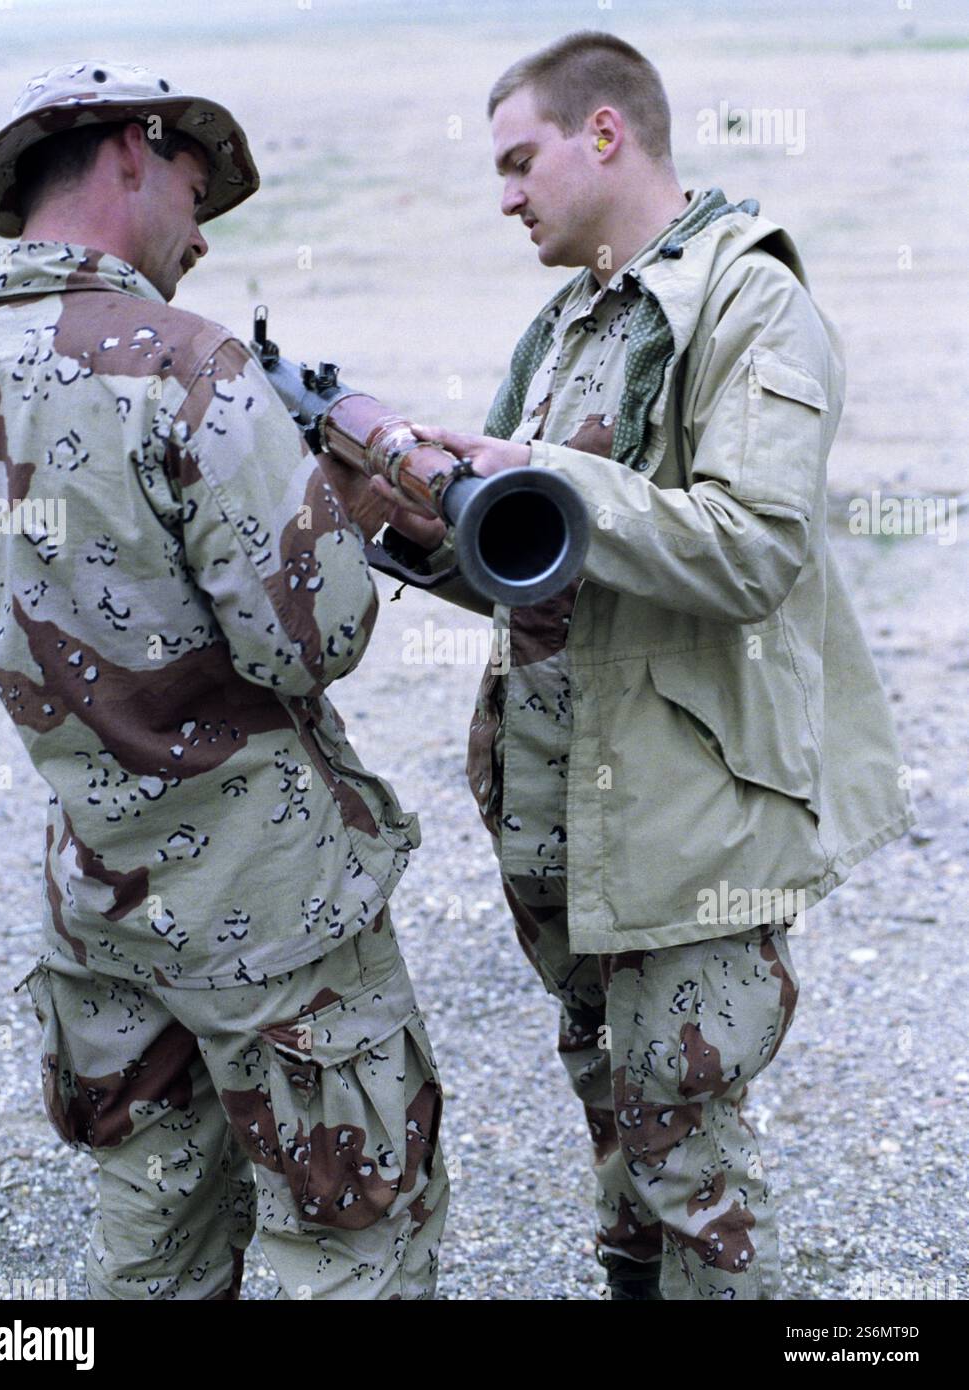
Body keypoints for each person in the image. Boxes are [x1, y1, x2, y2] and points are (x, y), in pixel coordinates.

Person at [369, 31, 915, 1300]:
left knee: (693, 1179)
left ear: (604, 132)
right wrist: (408, 521)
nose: (504, 196)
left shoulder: (748, 297)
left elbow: (756, 547)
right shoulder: (571, 322)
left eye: (520, 161)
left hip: (685, 829)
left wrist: (544, 474)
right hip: (567, 821)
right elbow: (535, 562)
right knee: (622, 1137)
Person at [0, 60, 447, 1300]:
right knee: (357, 1232)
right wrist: (347, 513)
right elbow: (308, 641)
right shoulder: (184, 363)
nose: (204, 228)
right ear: (128, 150)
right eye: (192, 178)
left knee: (152, 1250)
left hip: (102, 898)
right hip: (271, 909)